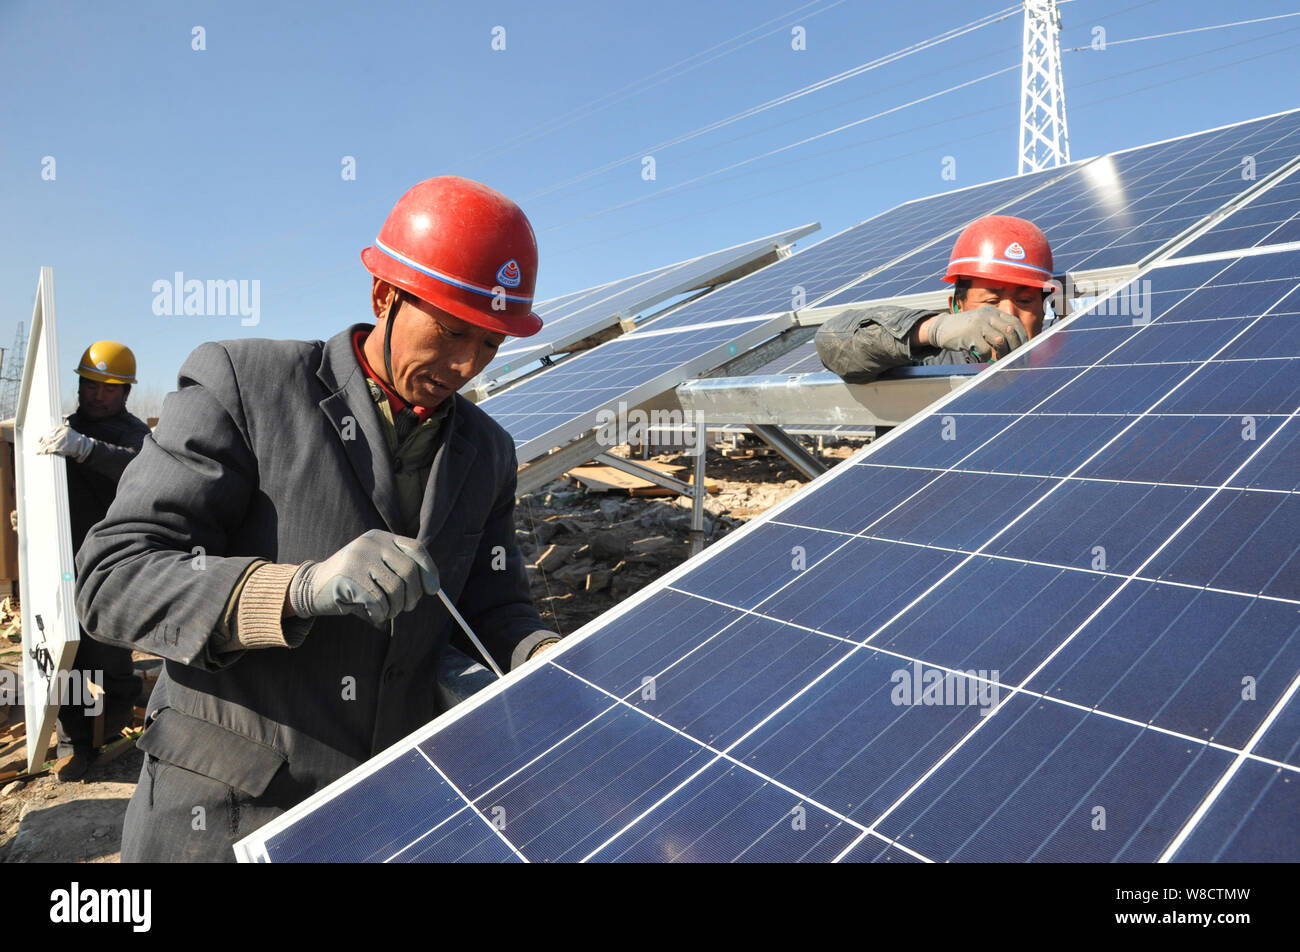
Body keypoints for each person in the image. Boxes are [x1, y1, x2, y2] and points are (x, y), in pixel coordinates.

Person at [75, 176, 560, 862]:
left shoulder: (486, 451)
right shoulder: (246, 386)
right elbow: (112, 579)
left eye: (489, 344)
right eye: (451, 332)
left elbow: (492, 605)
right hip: (226, 818)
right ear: (384, 296)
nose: (465, 365)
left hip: (386, 819)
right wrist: (297, 589)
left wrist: (536, 652)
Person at [37, 341, 151, 781]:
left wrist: (85, 449)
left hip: (110, 565)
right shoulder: (61, 429)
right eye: (90, 385)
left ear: (124, 392)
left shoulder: (134, 435)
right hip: (62, 561)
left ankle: (115, 732)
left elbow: (139, 469)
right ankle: (76, 745)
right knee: (65, 656)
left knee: (107, 655)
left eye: (109, 388)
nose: (98, 394)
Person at [815, 216, 1057, 382]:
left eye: (1025, 301)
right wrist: (933, 329)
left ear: (1043, 308)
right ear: (956, 306)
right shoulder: (925, 360)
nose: (1008, 315)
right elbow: (833, 344)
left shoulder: (1062, 369)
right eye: (991, 303)